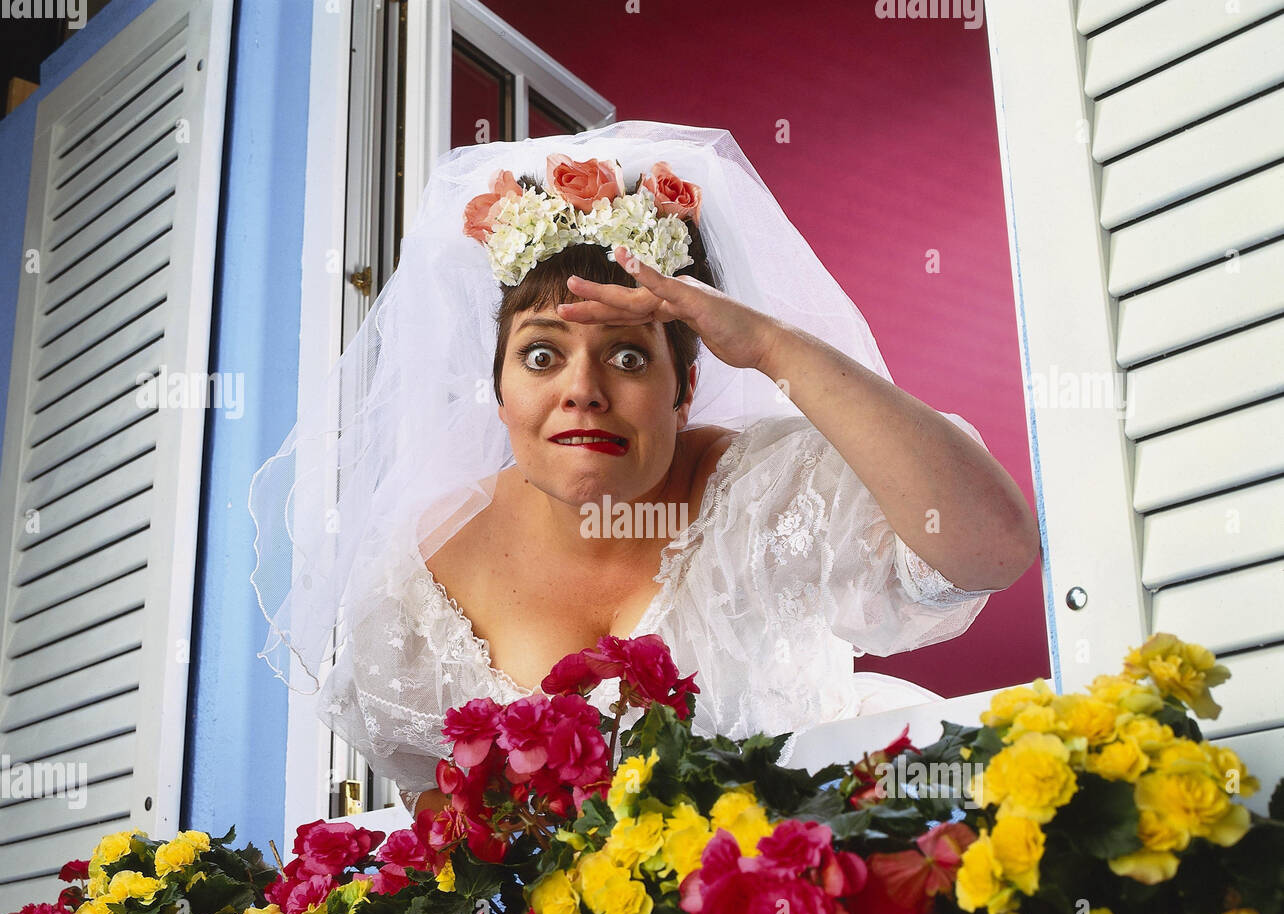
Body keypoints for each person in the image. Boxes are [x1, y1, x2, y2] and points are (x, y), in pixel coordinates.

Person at [248, 121, 1039, 817]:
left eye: (627, 356)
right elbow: (446, 833)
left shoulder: (764, 492)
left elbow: (992, 547)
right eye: (540, 355)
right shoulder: (417, 578)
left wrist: (771, 347)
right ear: (498, 392)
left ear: (685, 389)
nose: (582, 391)